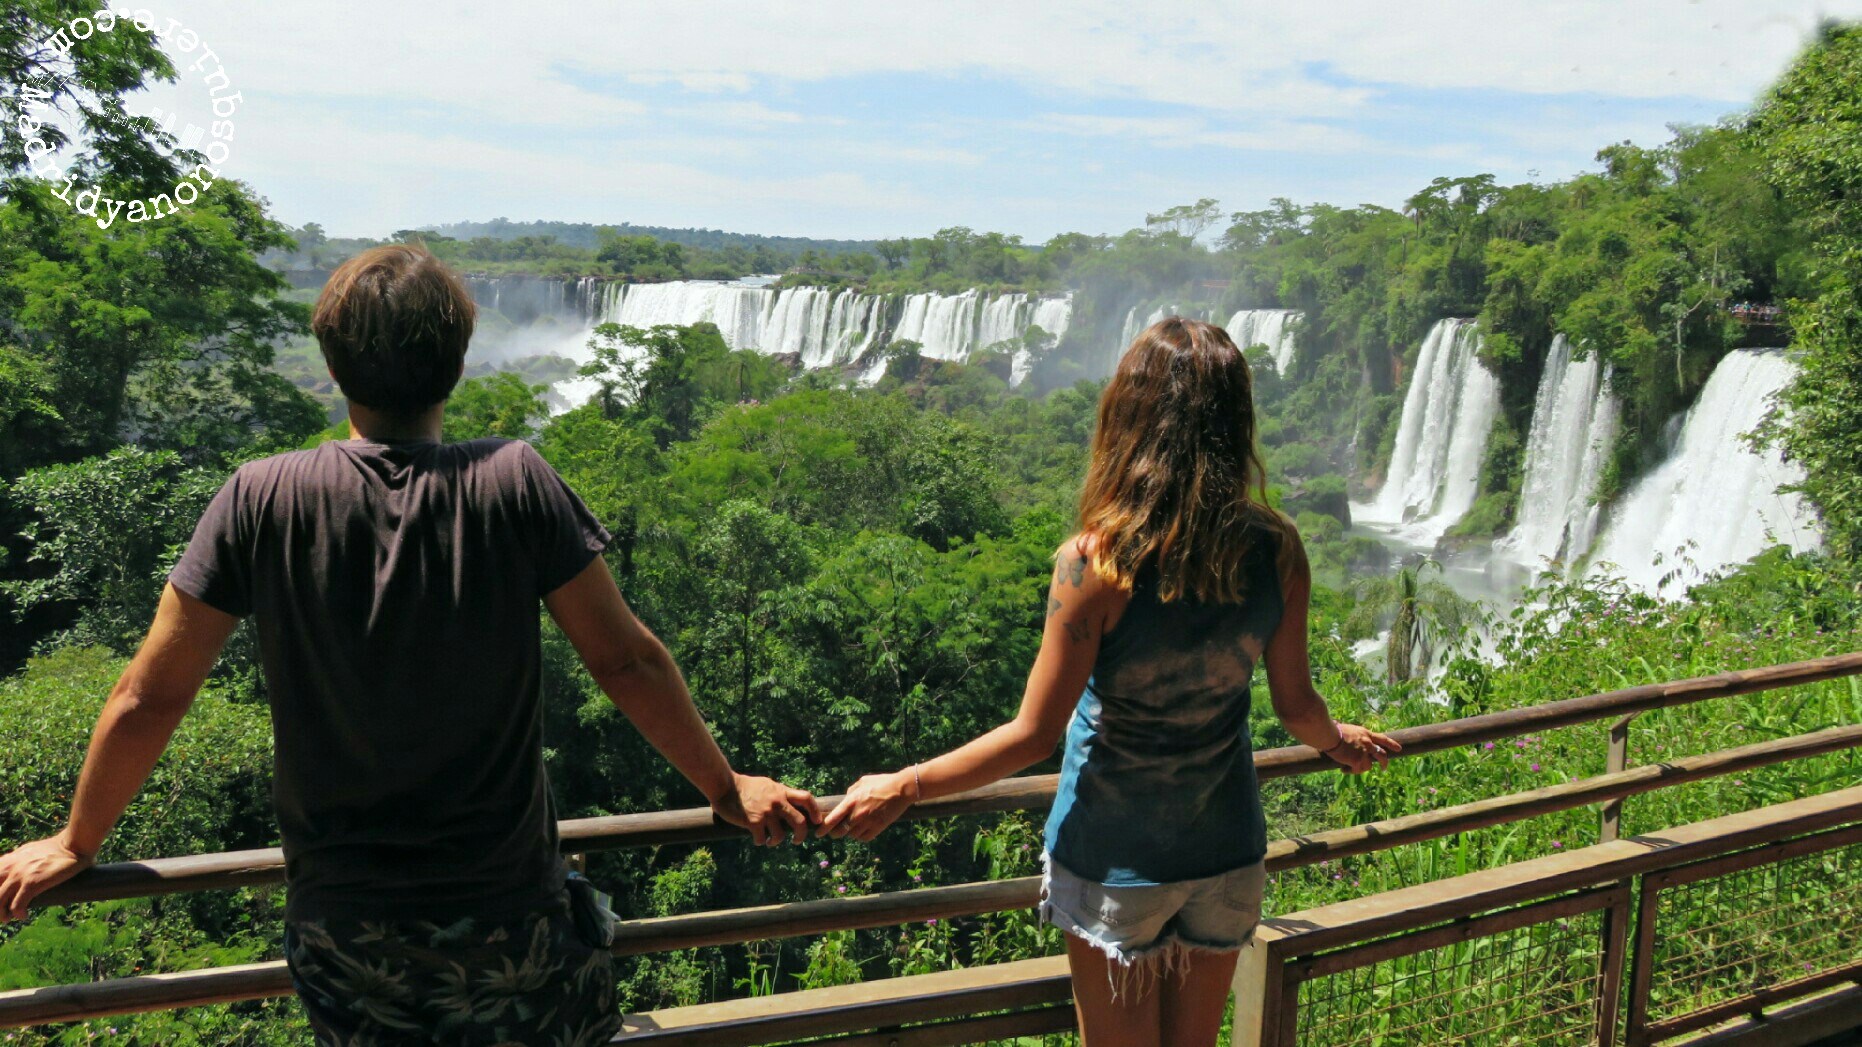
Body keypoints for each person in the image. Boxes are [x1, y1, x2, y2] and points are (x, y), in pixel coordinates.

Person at [0, 245, 819, 1046]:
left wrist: (78, 842)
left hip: (347, 933)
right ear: (457, 364)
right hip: (510, 920)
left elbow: (151, 695)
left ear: (330, 362)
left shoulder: (259, 496)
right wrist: (725, 783)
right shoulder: (514, 478)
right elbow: (625, 660)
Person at [822, 317, 1400, 1047]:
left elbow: (1032, 733)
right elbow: (1297, 707)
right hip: (1226, 853)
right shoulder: (1278, 549)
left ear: (1129, 418)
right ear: (1235, 422)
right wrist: (1340, 740)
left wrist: (905, 783)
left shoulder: (1095, 563)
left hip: (1114, 865)